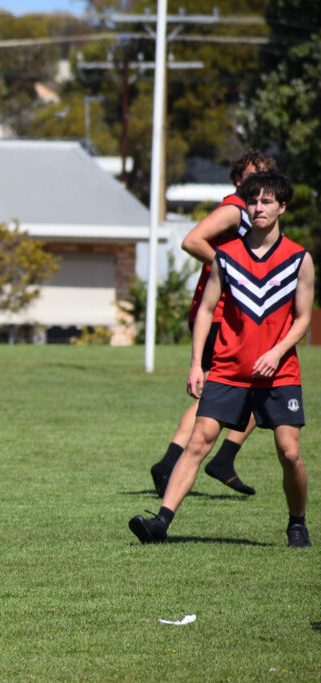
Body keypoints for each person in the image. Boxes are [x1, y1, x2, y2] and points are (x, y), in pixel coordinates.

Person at [129, 171, 313, 548]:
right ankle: (160, 523)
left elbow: (304, 318)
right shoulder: (226, 256)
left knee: (289, 452)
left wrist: (276, 352)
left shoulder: (299, 259)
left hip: (279, 373)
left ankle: (297, 523)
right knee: (198, 442)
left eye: (266, 201)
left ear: (282, 206)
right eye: (253, 201)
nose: (258, 207)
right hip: (229, 369)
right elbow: (206, 309)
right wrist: (197, 363)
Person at [147, 150, 276, 497]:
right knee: (237, 389)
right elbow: (192, 240)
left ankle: (197, 460)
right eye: (252, 175)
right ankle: (189, 461)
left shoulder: (256, 211)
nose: (258, 182)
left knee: (246, 388)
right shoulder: (235, 208)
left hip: (233, 316)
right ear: (238, 179)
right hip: (218, 317)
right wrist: (235, 266)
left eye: (265, 174)